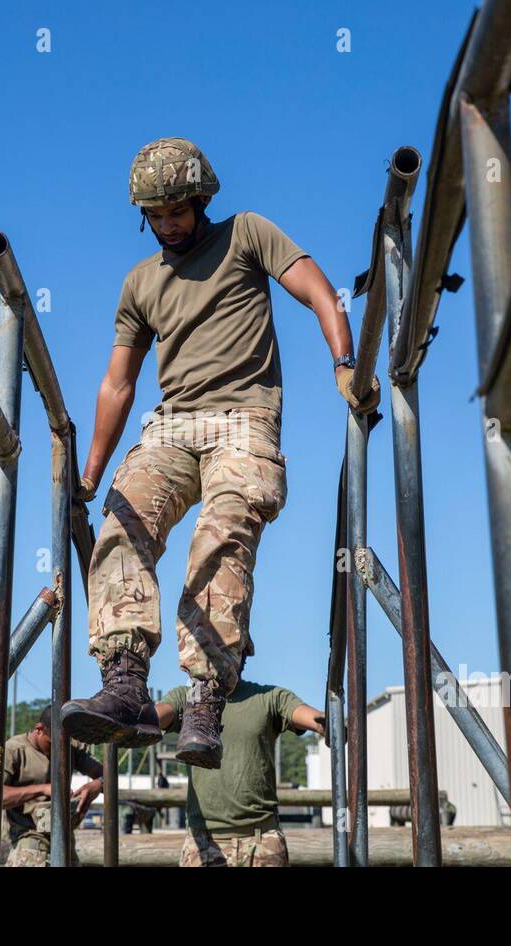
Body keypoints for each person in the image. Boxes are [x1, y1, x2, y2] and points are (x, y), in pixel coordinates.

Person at [61, 137, 377, 769]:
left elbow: (320, 290)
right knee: (123, 522)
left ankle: (204, 696)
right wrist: (89, 475)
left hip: (244, 419)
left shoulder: (246, 235)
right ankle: (125, 680)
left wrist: (344, 362)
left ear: (202, 200)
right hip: (173, 424)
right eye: (155, 213)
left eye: (178, 208)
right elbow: (118, 382)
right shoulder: (140, 283)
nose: (168, 222)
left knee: (222, 532)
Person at [156, 656, 324, 867]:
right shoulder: (189, 698)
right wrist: (138, 718)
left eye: (229, 648)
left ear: (243, 652)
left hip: (261, 841)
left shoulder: (269, 697)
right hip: (203, 841)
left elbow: (307, 715)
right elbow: (159, 714)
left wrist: (323, 723)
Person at [0, 705, 104, 867]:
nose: (59, 749)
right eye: (52, 743)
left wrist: (97, 785)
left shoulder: (71, 747)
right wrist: (42, 789)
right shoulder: (13, 750)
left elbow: (107, 774)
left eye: (63, 744)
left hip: (62, 834)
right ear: (39, 729)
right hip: (28, 835)